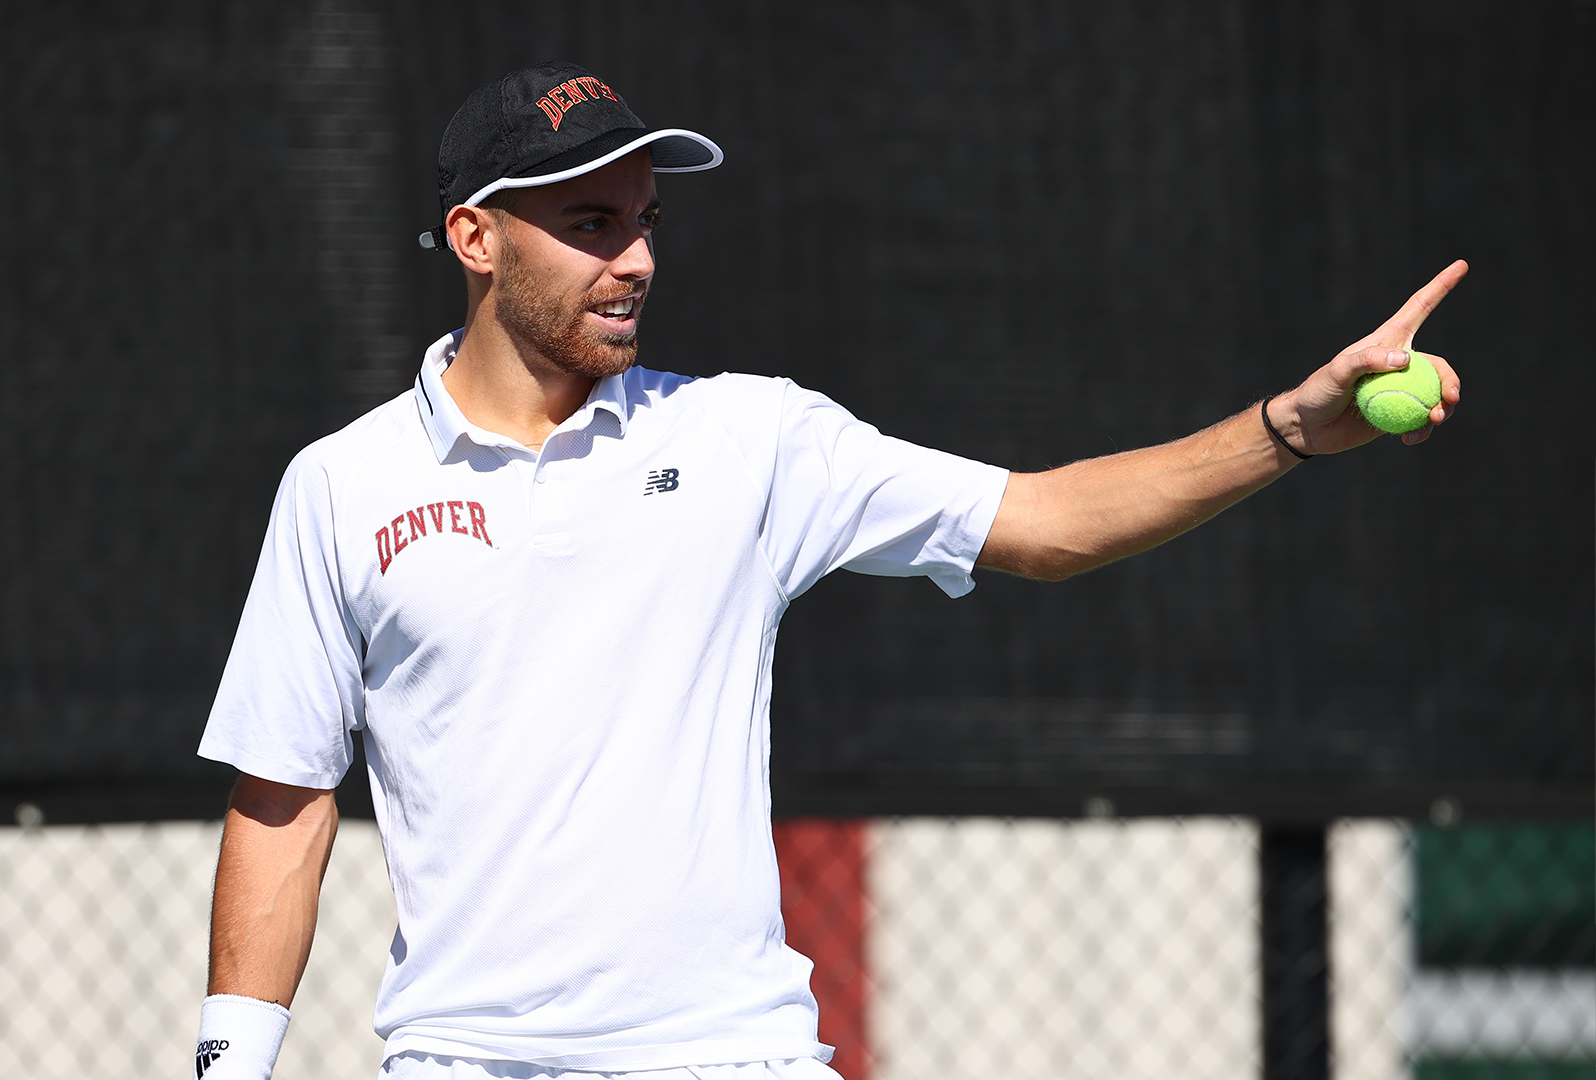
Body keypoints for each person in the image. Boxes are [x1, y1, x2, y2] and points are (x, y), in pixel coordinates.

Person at [191, 61, 1464, 1080]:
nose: (635, 259)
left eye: (644, 222)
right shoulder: (342, 485)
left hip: (731, 1049)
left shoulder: (753, 437)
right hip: (461, 1056)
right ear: (477, 237)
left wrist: (1287, 427)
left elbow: (1048, 522)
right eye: (589, 223)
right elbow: (284, 805)